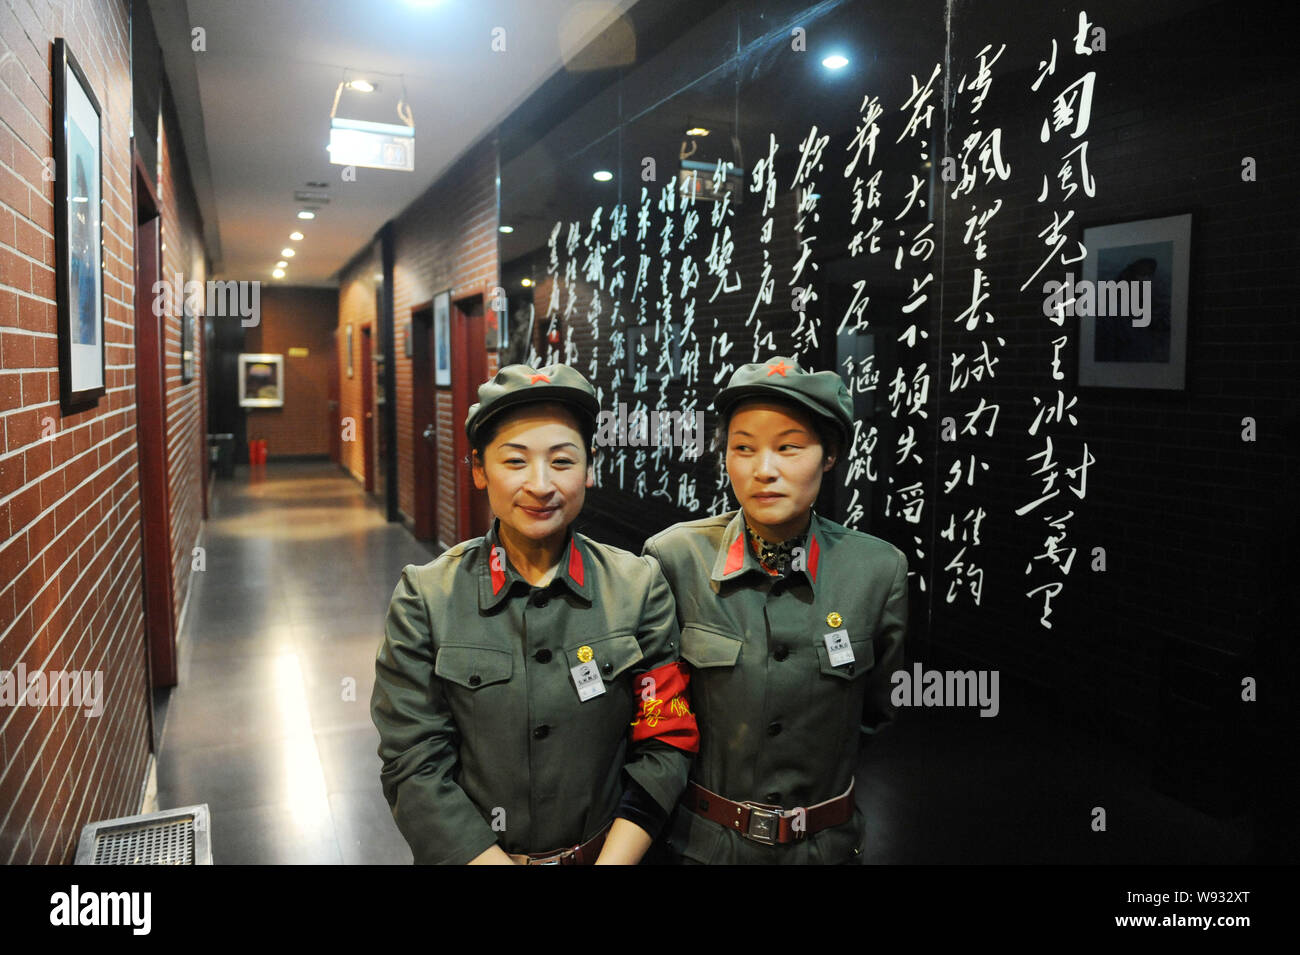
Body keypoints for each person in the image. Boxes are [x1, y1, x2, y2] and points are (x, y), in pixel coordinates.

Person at [371, 363, 698, 864]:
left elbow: (665, 738)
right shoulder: (425, 597)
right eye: (515, 461)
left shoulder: (638, 586)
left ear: (589, 469)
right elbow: (413, 763)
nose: (540, 485)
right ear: (480, 469)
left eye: (563, 462)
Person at [642, 356, 908, 864]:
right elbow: (655, 713)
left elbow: (875, 712)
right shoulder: (674, 558)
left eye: (789, 447)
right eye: (743, 448)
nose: (764, 470)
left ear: (829, 455)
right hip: (700, 847)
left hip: (824, 849)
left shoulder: (877, 570)